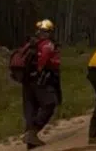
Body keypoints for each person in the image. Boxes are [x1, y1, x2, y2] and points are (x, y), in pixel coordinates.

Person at [22, 19, 61, 149]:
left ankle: (30, 140)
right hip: (41, 79)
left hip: (27, 80)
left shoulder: (30, 44)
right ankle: (32, 133)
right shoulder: (47, 44)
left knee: (31, 108)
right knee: (49, 103)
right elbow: (44, 58)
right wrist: (39, 71)